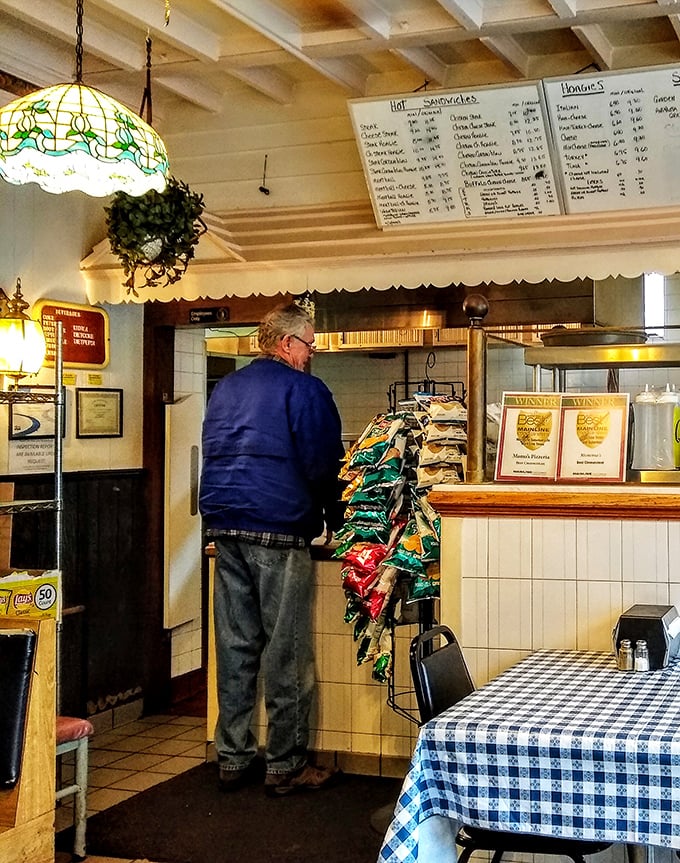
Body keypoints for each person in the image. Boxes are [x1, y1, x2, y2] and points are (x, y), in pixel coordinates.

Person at [199, 301, 345, 797]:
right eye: (309, 344)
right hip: (279, 527)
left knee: (235, 648)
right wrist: (336, 519)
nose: (312, 354)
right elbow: (324, 462)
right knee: (286, 651)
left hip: (225, 527)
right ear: (287, 343)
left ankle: (233, 758)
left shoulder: (226, 387)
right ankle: (285, 764)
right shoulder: (304, 389)